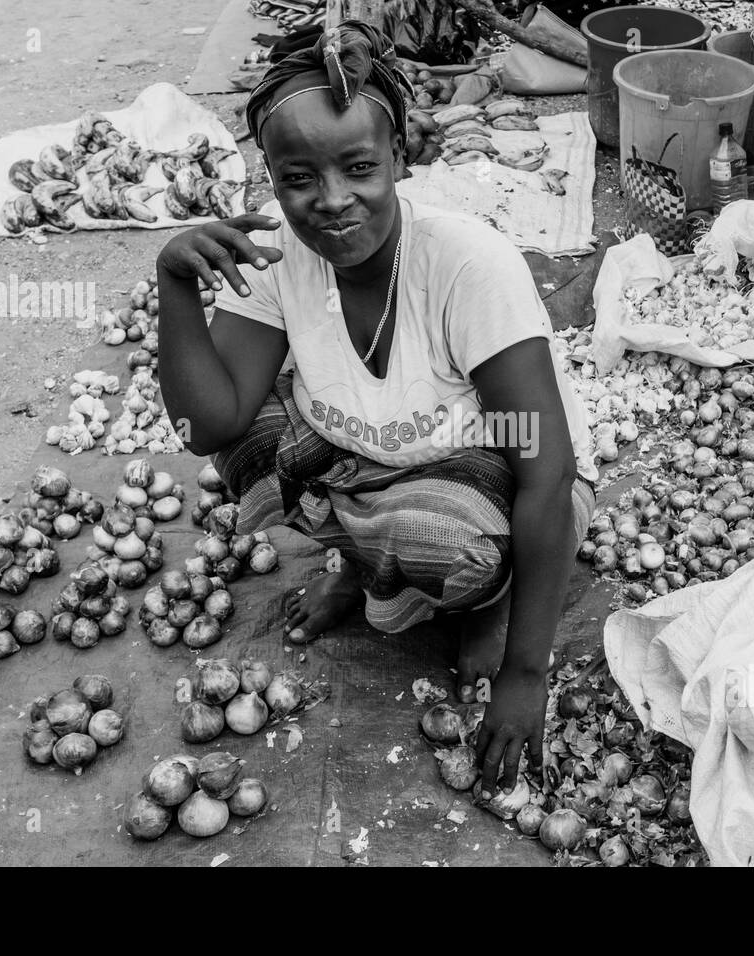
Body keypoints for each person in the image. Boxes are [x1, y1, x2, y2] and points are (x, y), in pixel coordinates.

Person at [156, 22, 596, 795]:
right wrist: (175, 287)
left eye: (358, 168)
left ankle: (486, 603)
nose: (331, 201)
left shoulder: (465, 265)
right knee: (250, 445)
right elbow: (209, 426)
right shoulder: (278, 253)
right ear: (271, 177)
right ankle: (364, 573)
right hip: (369, 451)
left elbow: (547, 475)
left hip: (491, 469)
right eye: (298, 178)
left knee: (450, 544)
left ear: (397, 158)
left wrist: (526, 672)